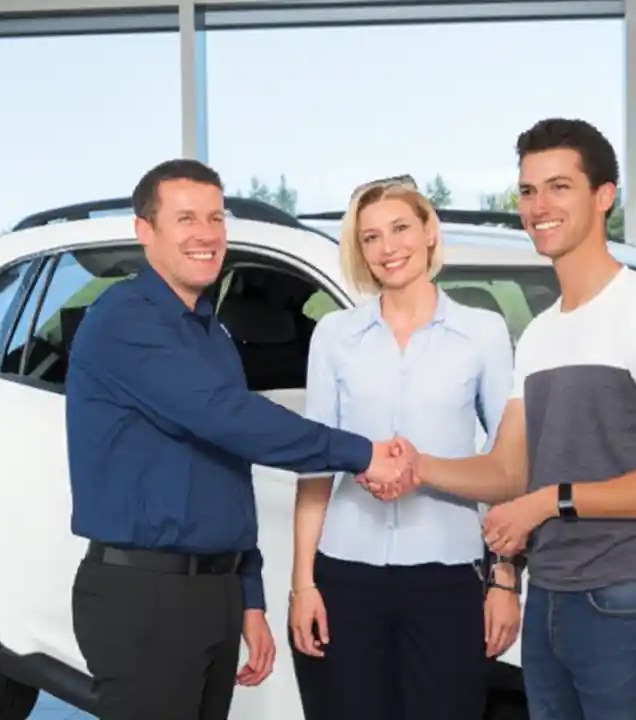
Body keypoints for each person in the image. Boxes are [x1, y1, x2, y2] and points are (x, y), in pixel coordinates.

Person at [363, 119, 636, 720]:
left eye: (559, 187)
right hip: (549, 599)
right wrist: (419, 467)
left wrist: (548, 503)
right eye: (527, 191)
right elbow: (509, 471)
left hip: (624, 600)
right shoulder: (540, 335)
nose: (538, 206)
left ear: (603, 196)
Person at [64, 158, 414, 720]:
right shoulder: (124, 321)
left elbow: (228, 467)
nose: (206, 234)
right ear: (144, 231)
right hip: (144, 597)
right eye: (186, 219)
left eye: (215, 217)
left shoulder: (211, 332)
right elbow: (228, 418)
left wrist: (247, 595)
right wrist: (363, 453)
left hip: (212, 592)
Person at [285, 175, 523, 720]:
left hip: (447, 578)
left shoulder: (482, 334)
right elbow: (316, 465)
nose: (388, 248)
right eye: (371, 237)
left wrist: (505, 578)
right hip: (346, 574)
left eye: (399, 229)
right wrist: (303, 585)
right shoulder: (334, 336)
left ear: (429, 232)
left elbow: (508, 469)